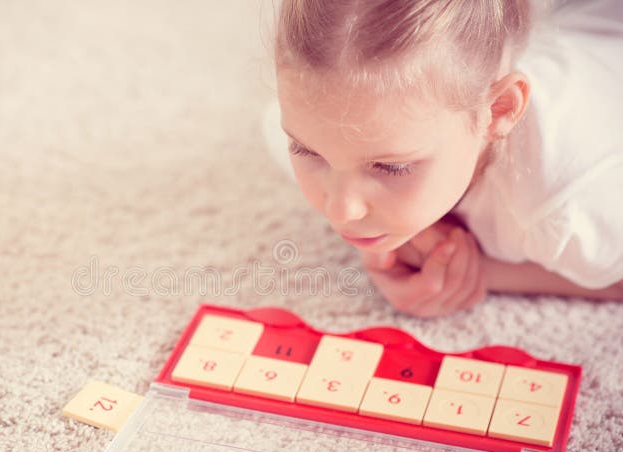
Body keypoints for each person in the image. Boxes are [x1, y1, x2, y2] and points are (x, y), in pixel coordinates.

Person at [266, 0, 623, 317]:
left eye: (392, 167)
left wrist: (482, 271)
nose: (341, 211)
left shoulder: (572, 202)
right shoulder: (307, 117)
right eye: (306, 150)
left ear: (498, 110)